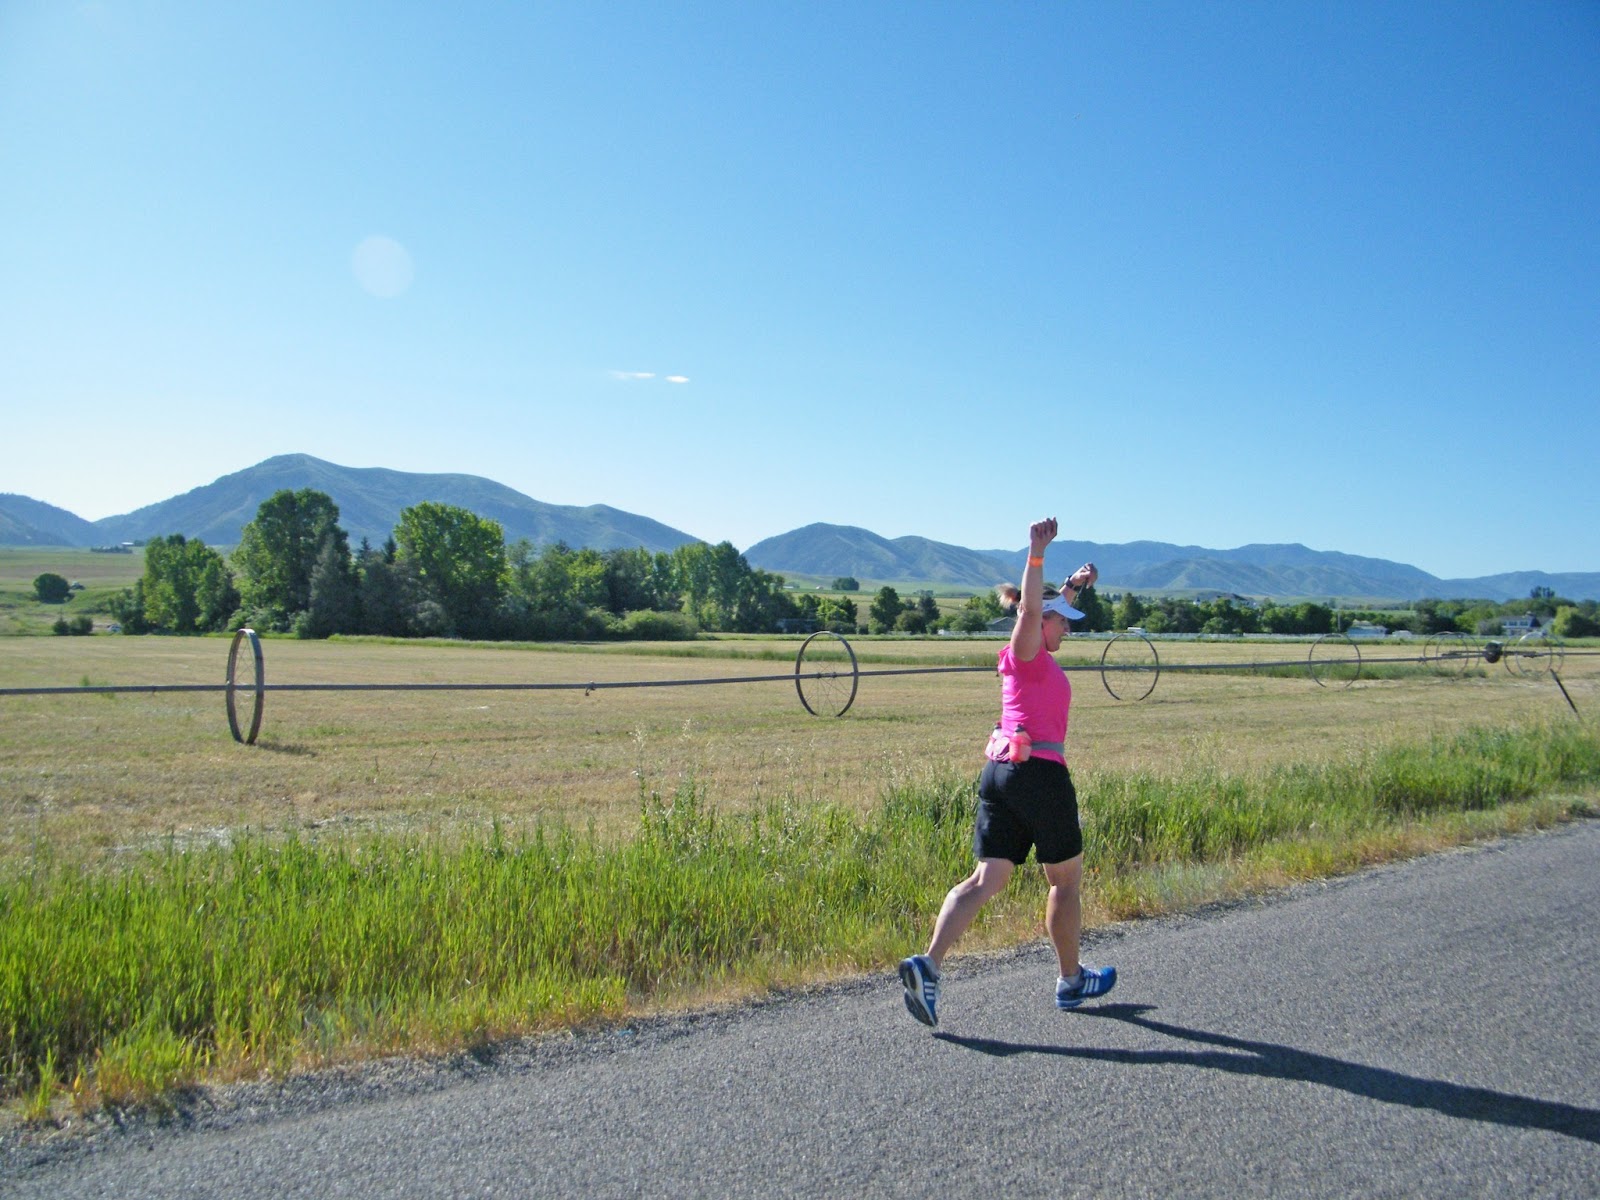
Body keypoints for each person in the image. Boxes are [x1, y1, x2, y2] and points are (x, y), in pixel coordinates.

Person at [898, 516, 1116, 1026]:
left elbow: (1045, 605)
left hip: (1001, 773)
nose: (1068, 627)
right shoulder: (1029, 650)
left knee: (984, 879)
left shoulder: (1026, 655)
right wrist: (1036, 554)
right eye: (1062, 621)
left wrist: (1076, 586)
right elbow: (1036, 609)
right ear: (1040, 623)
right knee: (1064, 881)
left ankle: (928, 966)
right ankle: (1070, 980)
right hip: (1040, 773)